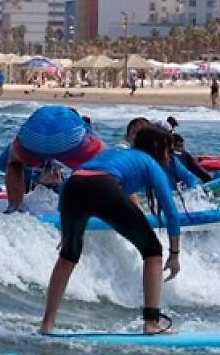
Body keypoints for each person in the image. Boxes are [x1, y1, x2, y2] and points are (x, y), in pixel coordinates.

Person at [39, 126, 181, 336]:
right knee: (152, 251)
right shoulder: (150, 163)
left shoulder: (117, 154)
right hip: (102, 185)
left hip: (72, 187)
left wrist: (66, 229)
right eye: (169, 152)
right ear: (158, 150)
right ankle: (151, 323)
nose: (170, 158)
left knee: (68, 255)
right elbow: (171, 213)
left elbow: (79, 177)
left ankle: (47, 325)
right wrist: (174, 255)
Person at [0, 106, 104, 213]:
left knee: (15, 164)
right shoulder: (82, 127)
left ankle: (14, 207)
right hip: (69, 138)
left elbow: (2, 165)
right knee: (101, 165)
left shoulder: (31, 130)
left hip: (32, 136)